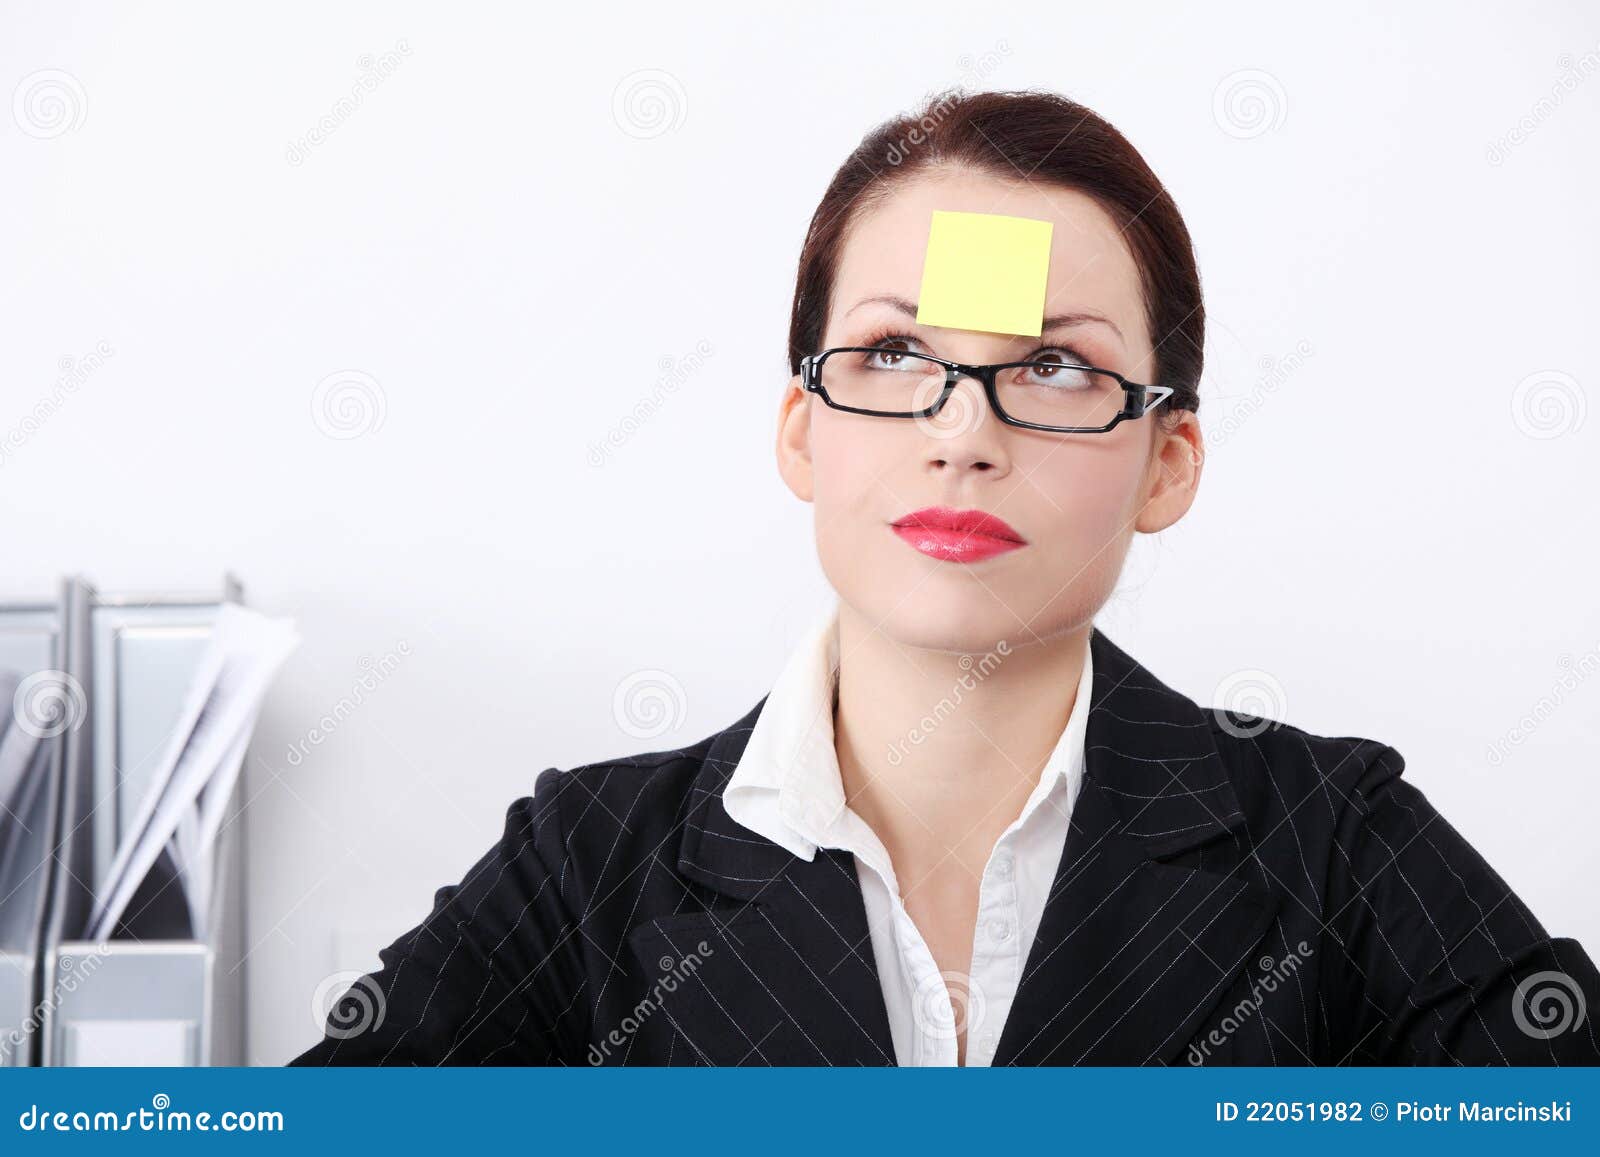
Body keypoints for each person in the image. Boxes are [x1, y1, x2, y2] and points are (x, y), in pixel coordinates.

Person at [290, 88, 1600, 1067]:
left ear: (1168, 460)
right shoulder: (590, 865)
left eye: (1055, 366)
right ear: (802, 428)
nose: (961, 431)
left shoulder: (1337, 840)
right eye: (897, 352)